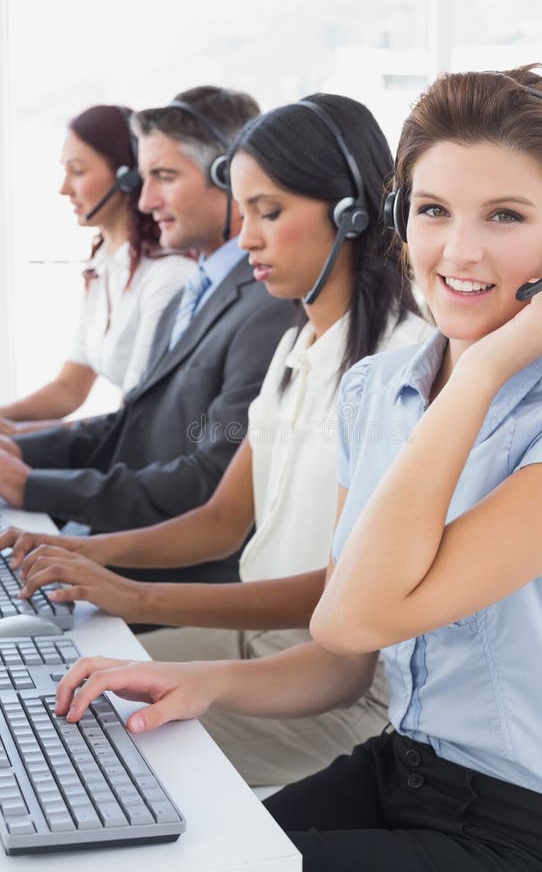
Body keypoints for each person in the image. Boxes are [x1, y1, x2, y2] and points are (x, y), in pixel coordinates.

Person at [33, 65, 542, 869]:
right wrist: (206, 684)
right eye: (433, 210)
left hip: (534, 825)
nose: (460, 249)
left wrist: (478, 375)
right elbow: (340, 662)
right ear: (399, 216)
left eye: (505, 215)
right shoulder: (380, 390)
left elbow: (347, 619)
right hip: (403, 766)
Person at [2, 93, 429, 785]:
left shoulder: (401, 363)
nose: (248, 238)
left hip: (341, 688)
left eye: (270, 212)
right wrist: (80, 555)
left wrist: (132, 595)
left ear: (353, 213)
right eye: (245, 211)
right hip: (254, 644)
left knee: (76, 742)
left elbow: (340, 591)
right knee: (39, 689)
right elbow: (222, 520)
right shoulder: (297, 344)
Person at [0, 86, 295, 587]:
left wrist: (34, 486)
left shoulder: (269, 309)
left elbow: (204, 480)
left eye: (165, 177)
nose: (144, 200)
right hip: (126, 555)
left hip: (179, 580)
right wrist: (21, 456)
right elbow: (132, 423)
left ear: (229, 175)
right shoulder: (194, 293)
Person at [0, 104, 194, 433]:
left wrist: (17, 437)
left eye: (77, 171)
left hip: (144, 447)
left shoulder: (168, 275)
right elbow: (68, 389)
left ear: (128, 177)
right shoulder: (105, 263)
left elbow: (134, 418)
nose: (64, 187)